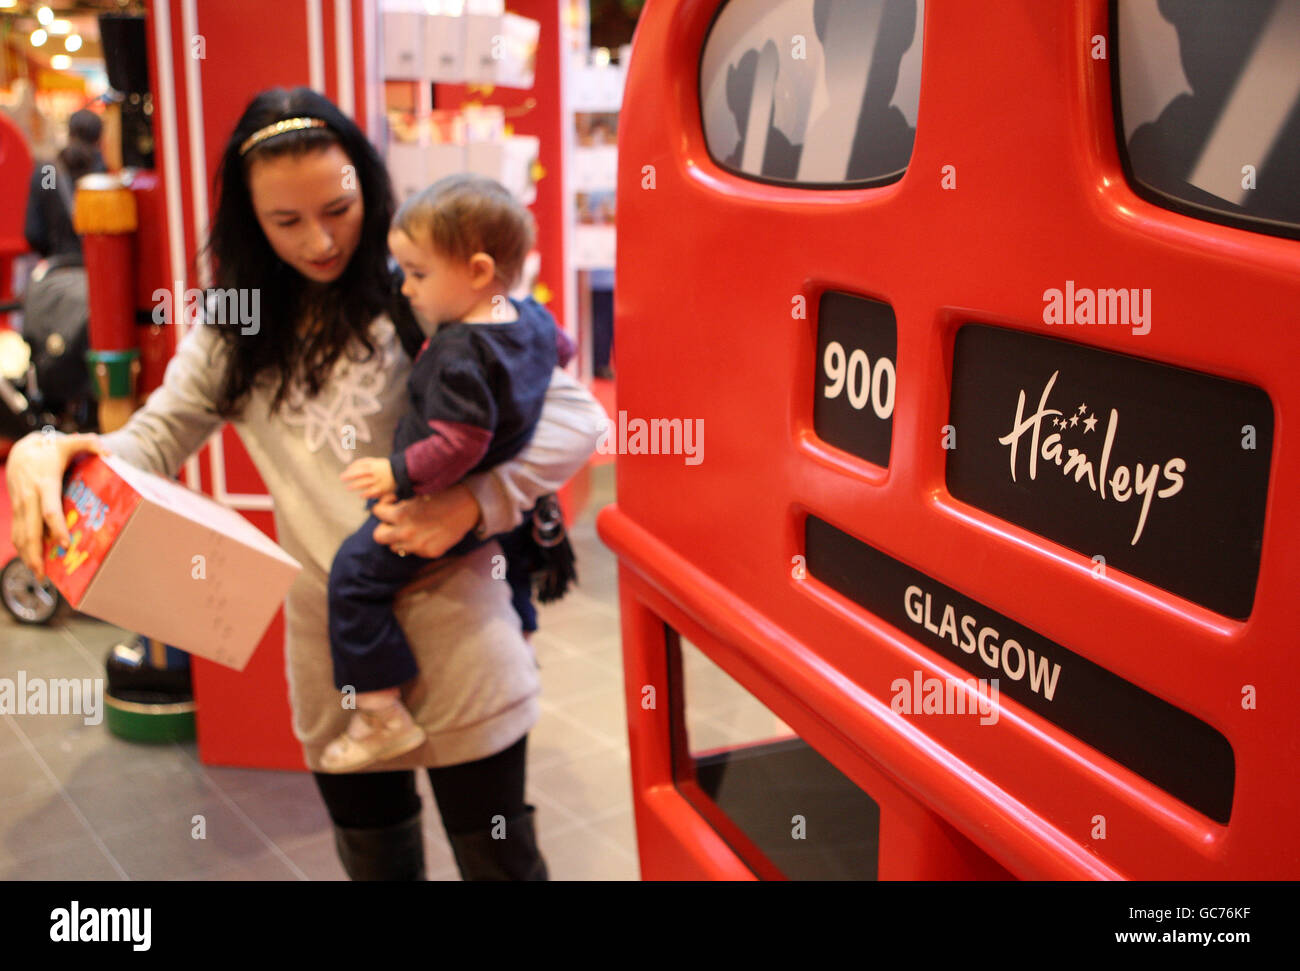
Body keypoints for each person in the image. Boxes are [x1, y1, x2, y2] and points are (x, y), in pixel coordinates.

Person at [4, 87, 606, 880]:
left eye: (339, 207)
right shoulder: (238, 327)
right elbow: (153, 438)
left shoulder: (427, 284)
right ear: (249, 220)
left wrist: (473, 501)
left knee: (499, 861)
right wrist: (51, 449)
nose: (320, 240)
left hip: (463, 631)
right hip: (339, 657)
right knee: (376, 862)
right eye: (286, 222)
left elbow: (576, 415)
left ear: (368, 184)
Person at [322, 173, 565, 773]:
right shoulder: (529, 316)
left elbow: (460, 442)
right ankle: (526, 646)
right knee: (511, 576)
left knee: (354, 577)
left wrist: (398, 473)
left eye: (419, 274)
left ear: (480, 272)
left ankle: (381, 714)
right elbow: (564, 352)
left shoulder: (459, 352)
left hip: (441, 500)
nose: (406, 289)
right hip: (504, 508)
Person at [24, 107, 107, 260]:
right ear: (99, 138)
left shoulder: (48, 172)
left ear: (69, 132)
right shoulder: (104, 174)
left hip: (58, 264)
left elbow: (34, 233)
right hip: (96, 265)